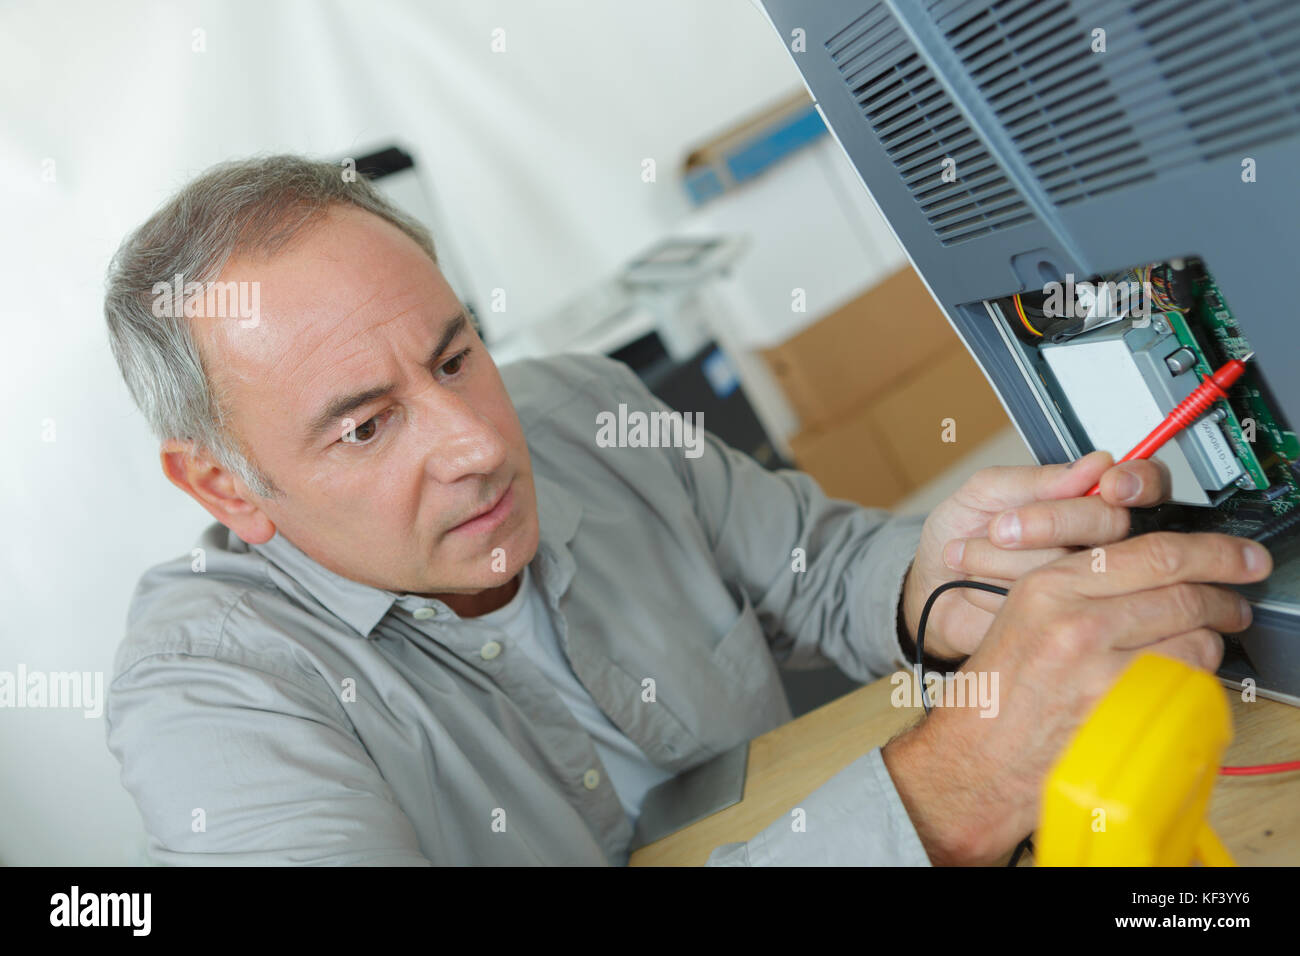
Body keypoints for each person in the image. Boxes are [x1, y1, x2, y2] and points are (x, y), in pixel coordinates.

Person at [102, 156, 1271, 865]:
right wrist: (953, 787)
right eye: (364, 426)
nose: (474, 443)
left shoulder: (581, 408)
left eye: (456, 356)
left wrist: (940, 578)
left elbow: (817, 569)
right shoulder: (205, 690)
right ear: (222, 484)